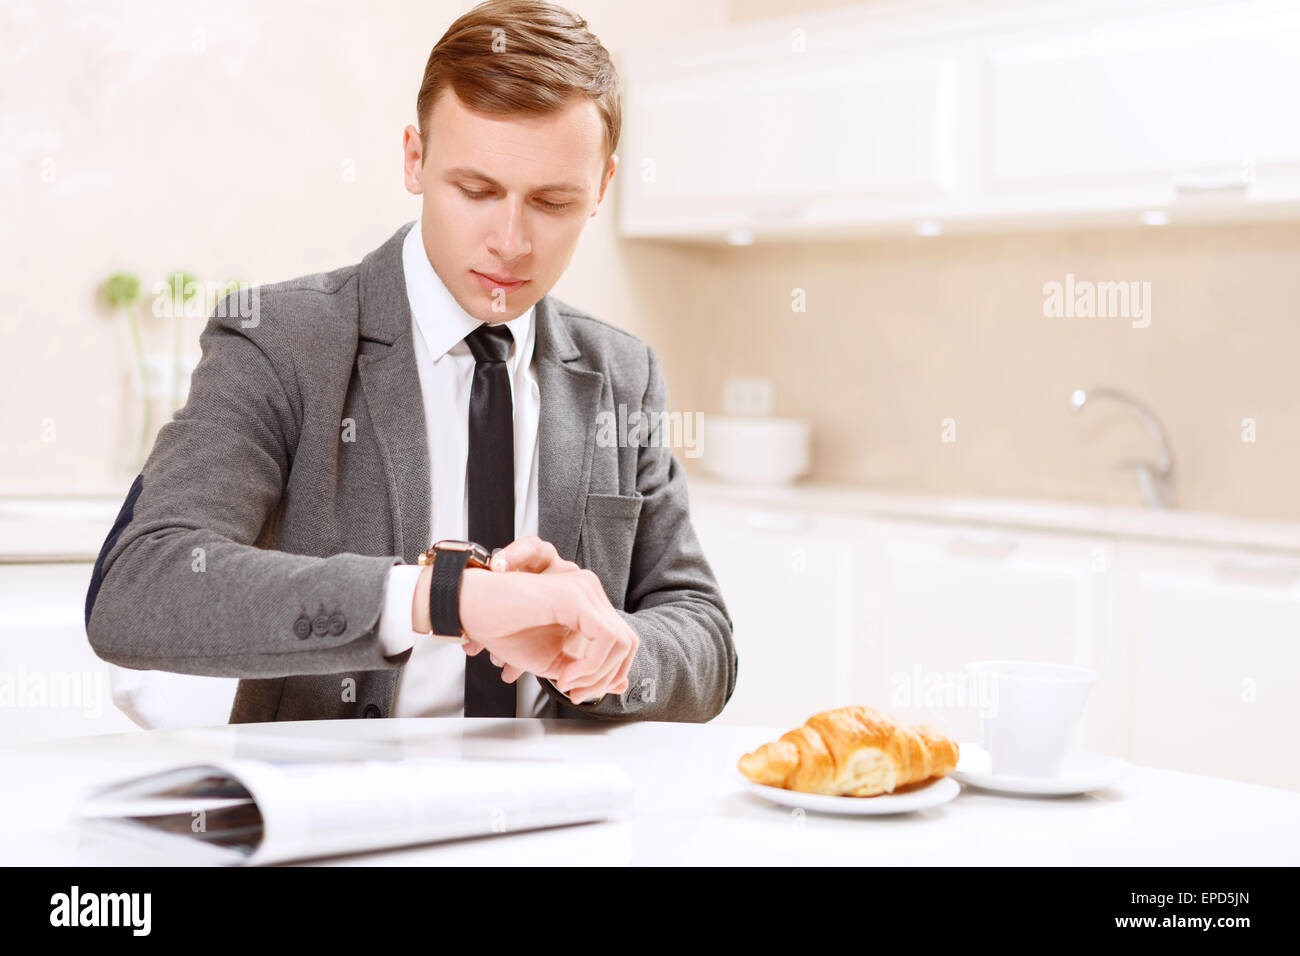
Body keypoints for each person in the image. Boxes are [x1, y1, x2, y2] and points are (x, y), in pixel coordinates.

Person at [84, 0, 736, 723]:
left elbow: (704, 636)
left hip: (556, 811)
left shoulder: (623, 373)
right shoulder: (278, 340)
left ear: (603, 188)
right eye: (477, 190)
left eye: (553, 201)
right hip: (341, 816)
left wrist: (616, 652)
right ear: (414, 159)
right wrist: (444, 596)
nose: (511, 241)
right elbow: (140, 588)